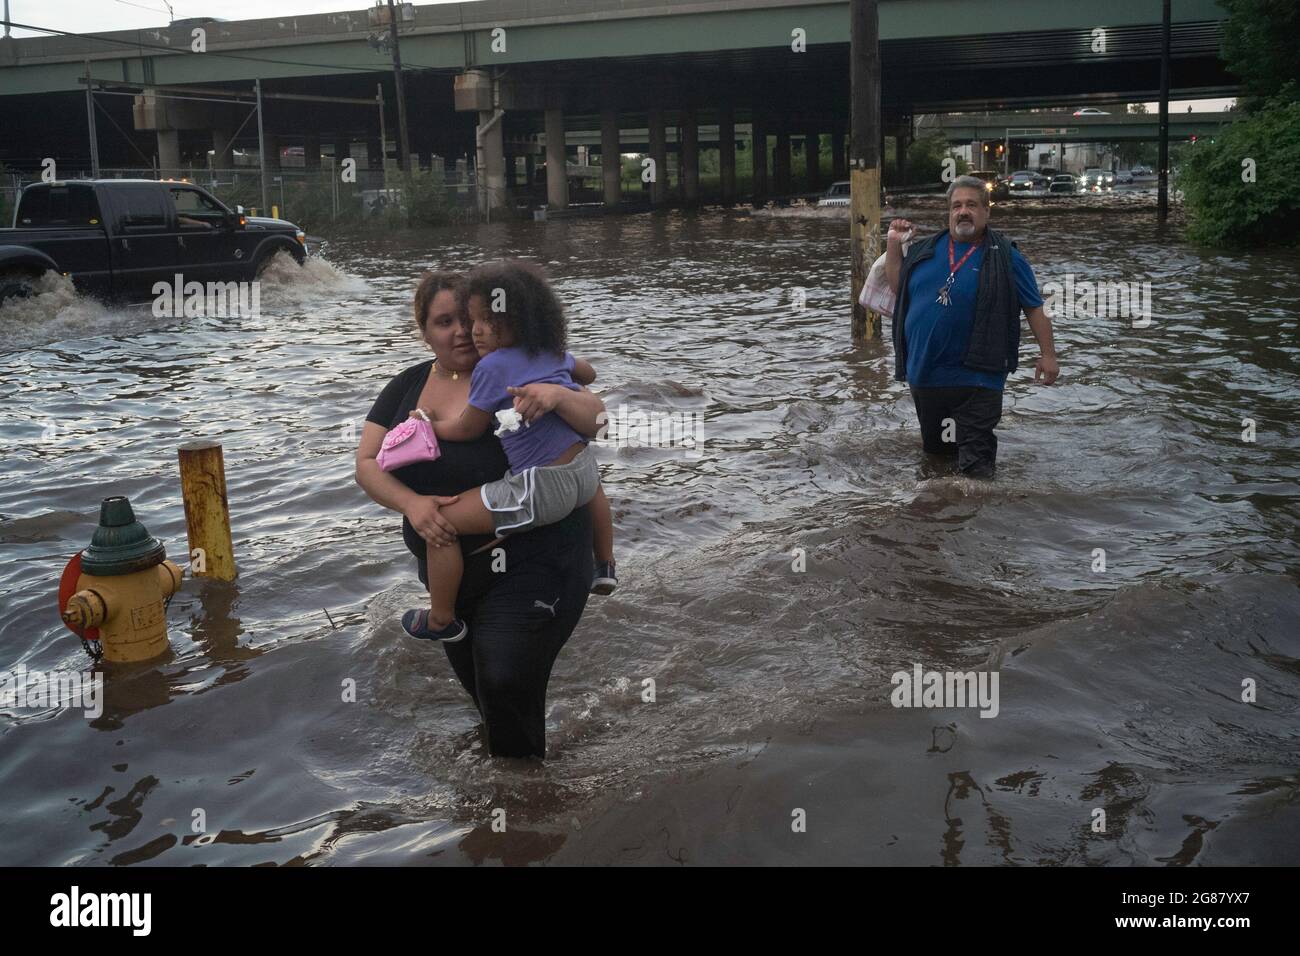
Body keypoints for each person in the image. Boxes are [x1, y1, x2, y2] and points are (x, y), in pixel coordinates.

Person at [355, 270, 607, 758]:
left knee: (504, 679)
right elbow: (367, 463)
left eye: (470, 321)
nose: (462, 333)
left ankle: (527, 812)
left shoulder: (516, 368)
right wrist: (412, 504)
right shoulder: (406, 386)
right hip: (451, 575)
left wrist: (558, 396)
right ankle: (508, 802)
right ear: (424, 331)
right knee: (483, 691)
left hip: (537, 565)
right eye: (444, 322)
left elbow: (596, 420)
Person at [400, 260, 617, 643]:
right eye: (472, 320)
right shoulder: (548, 349)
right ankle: (606, 564)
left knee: (440, 520)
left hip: (541, 487)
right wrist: (560, 383)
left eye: (486, 321)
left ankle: (441, 620)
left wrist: (428, 423)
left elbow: (468, 428)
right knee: (594, 484)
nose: (475, 331)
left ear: (518, 320)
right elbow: (589, 373)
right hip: (582, 475)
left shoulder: (493, 366)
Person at [885, 174, 1060, 477]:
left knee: (976, 467)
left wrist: (1049, 355)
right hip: (927, 376)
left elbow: (1033, 306)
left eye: (971, 205)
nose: (963, 212)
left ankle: (978, 519)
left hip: (978, 377)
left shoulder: (1007, 256)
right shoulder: (923, 250)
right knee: (938, 460)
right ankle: (948, 520)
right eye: (956, 206)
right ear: (949, 212)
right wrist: (891, 244)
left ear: (986, 211)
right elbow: (899, 288)